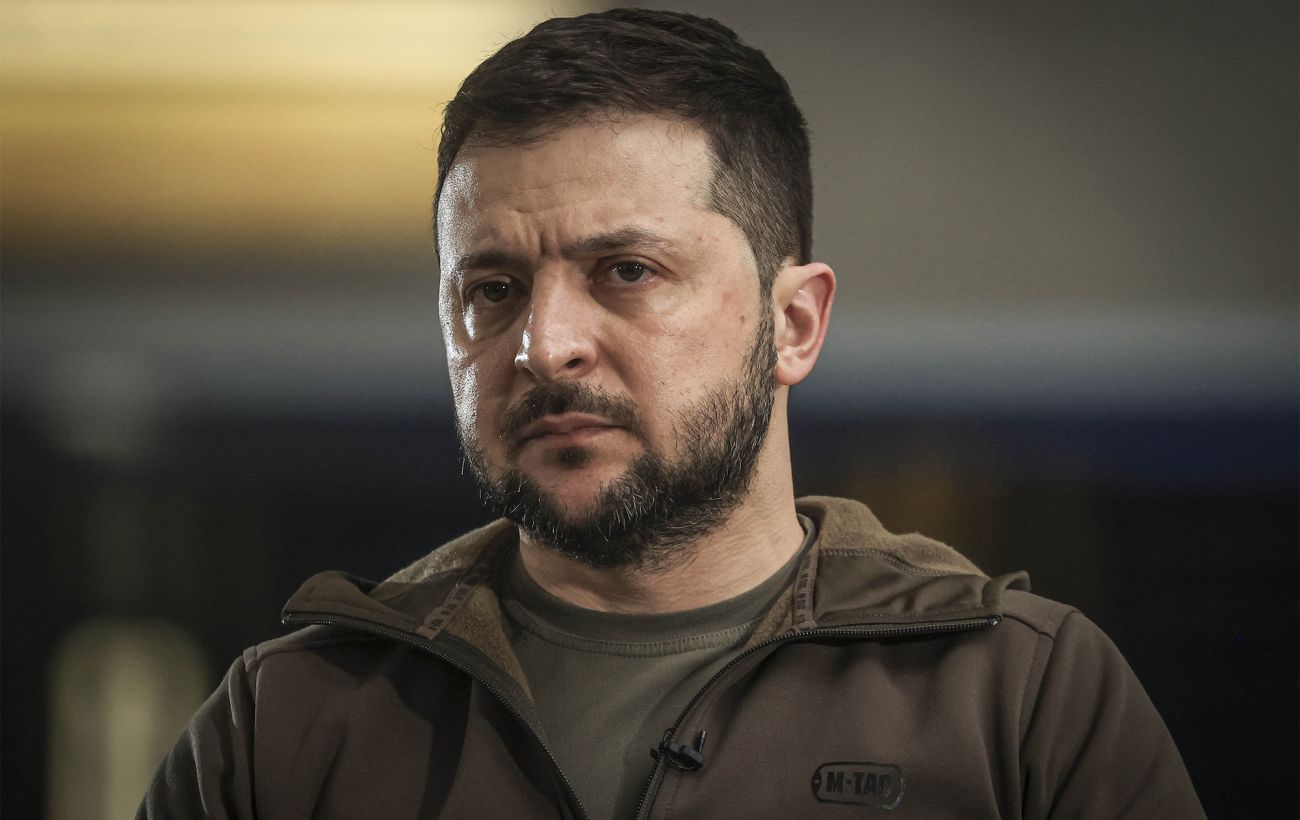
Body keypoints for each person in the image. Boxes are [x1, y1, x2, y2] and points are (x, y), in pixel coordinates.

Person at [139, 9, 1203, 818]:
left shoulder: (1017, 696)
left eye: (628, 271)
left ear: (793, 324)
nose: (544, 344)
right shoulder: (291, 722)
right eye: (493, 289)